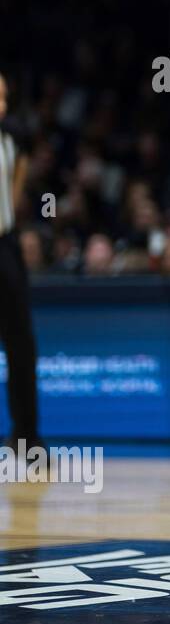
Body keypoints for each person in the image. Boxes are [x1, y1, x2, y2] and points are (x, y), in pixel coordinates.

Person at [0, 71, 41, 453]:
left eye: (5, 98)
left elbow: (24, 159)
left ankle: (26, 436)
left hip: (4, 244)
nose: (2, 106)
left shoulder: (12, 136)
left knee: (21, 342)